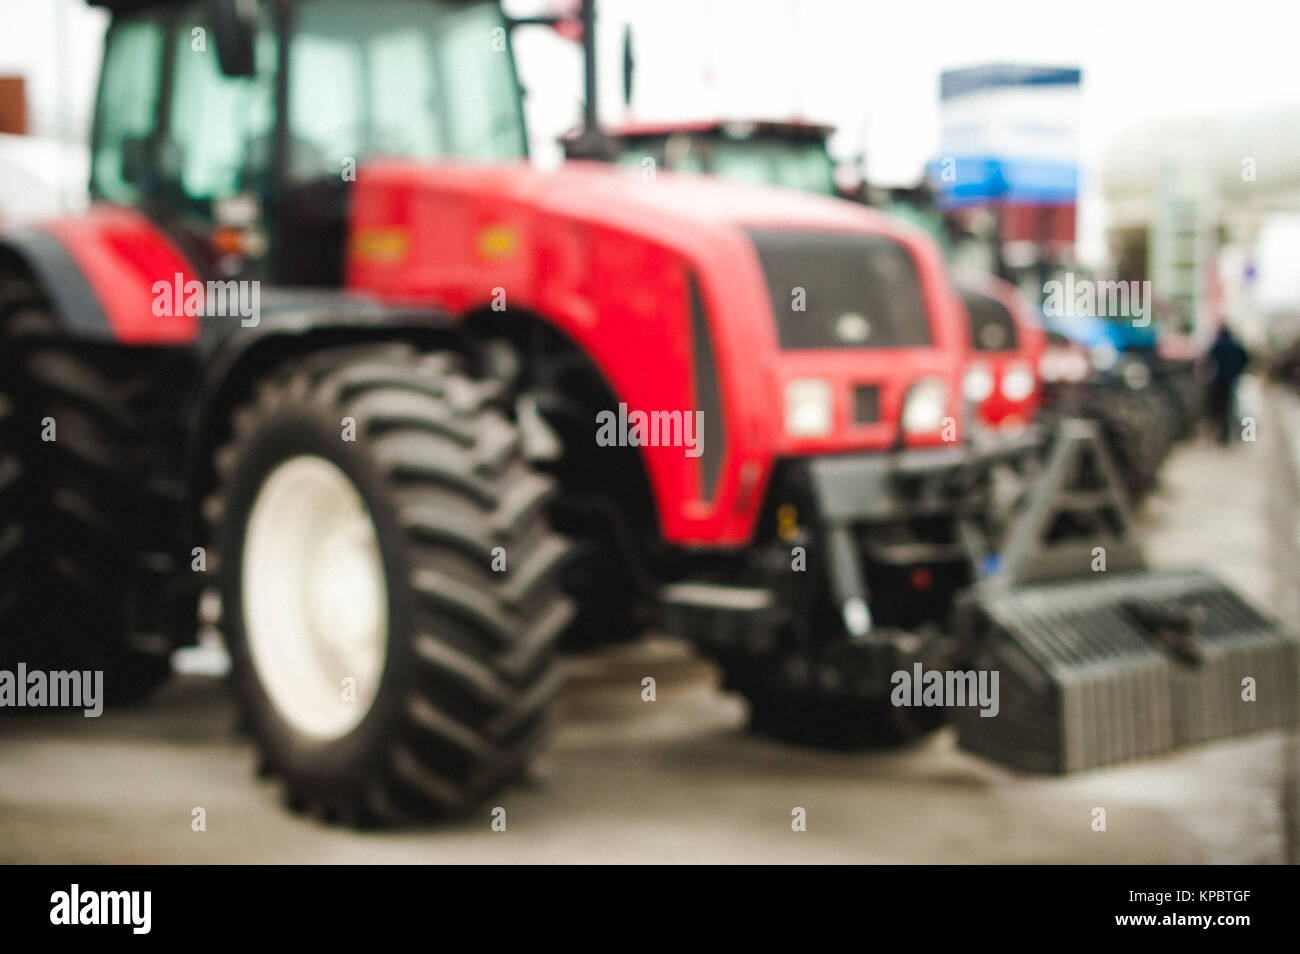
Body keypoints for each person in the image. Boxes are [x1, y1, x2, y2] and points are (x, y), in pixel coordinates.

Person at [1206, 322, 1250, 445]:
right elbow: (1246, 358)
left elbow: (1209, 357)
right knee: (1233, 406)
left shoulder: (1218, 345)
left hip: (1220, 380)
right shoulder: (1236, 345)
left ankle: (1224, 434)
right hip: (1233, 380)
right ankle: (1233, 432)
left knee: (1221, 407)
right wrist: (1238, 370)